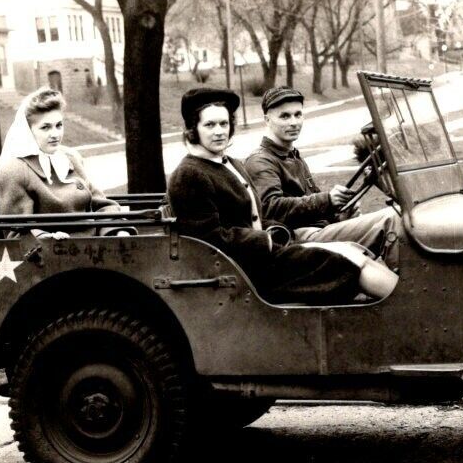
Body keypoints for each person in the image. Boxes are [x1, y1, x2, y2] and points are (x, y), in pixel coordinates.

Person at [168, 87, 397, 305]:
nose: (219, 131)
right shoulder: (190, 174)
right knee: (347, 261)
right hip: (247, 272)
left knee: (352, 251)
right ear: (193, 129)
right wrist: (265, 240)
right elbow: (206, 241)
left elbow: (254, 217)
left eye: (224, 123)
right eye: (209, 125)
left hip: (263, 258)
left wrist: (276, 232)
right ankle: (408, 310)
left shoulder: (228, 164)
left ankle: (409, 304)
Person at [244, 86, 400, 265]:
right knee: (390, 218)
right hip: (296, 243)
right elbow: (270, 208)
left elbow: (311, 205)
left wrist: (337, 215)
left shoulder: (293, 156)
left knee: (400, 214)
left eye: (298, 114)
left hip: (315, 232)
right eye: (285, 116)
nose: (294, 122)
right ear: (267, 120)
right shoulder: (260, 161)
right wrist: (327, 200)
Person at [0, 87, 132, 239]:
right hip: (53, 251)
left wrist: (119, 230)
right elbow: (18, 232)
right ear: (27, 130)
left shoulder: (70, 158)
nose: (55, 134)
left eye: (59, 125)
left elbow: (101, 205)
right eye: (45, 127)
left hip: (96, 245)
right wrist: (48, 239)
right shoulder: (14, 170)